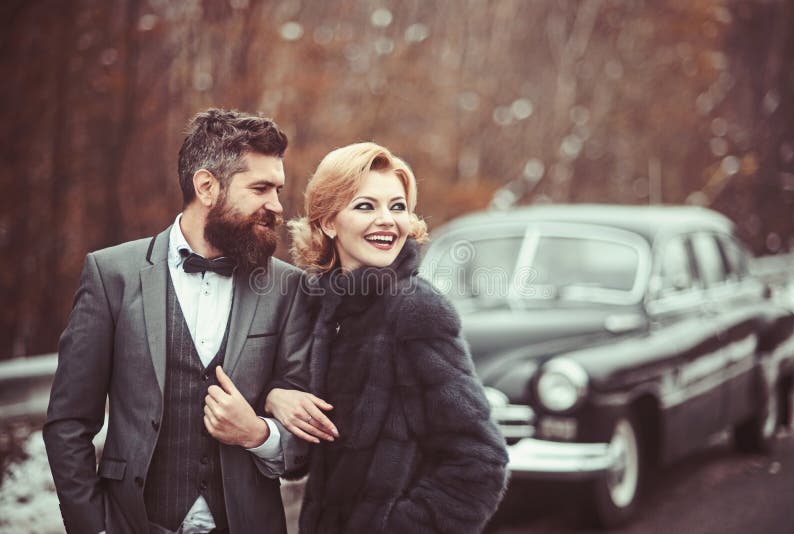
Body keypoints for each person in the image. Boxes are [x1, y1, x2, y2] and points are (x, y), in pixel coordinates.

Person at [43, 109, 310, 534]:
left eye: (278, 189)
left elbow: (302, 443)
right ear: (206, 186)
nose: (276, 205)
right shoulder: (112, 274)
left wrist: (258, 434)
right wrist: (92, 526)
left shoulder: (289, 287)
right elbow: (68, 423)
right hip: (132, 521)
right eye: (261, 188)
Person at [265, 142, 508, 533]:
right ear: (328, 222)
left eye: (398, 207)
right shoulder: (320, 306)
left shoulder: (416, 310)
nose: (388, 221)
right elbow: (306, 454)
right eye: (366, 206)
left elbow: (481, 460)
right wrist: (275, 397)